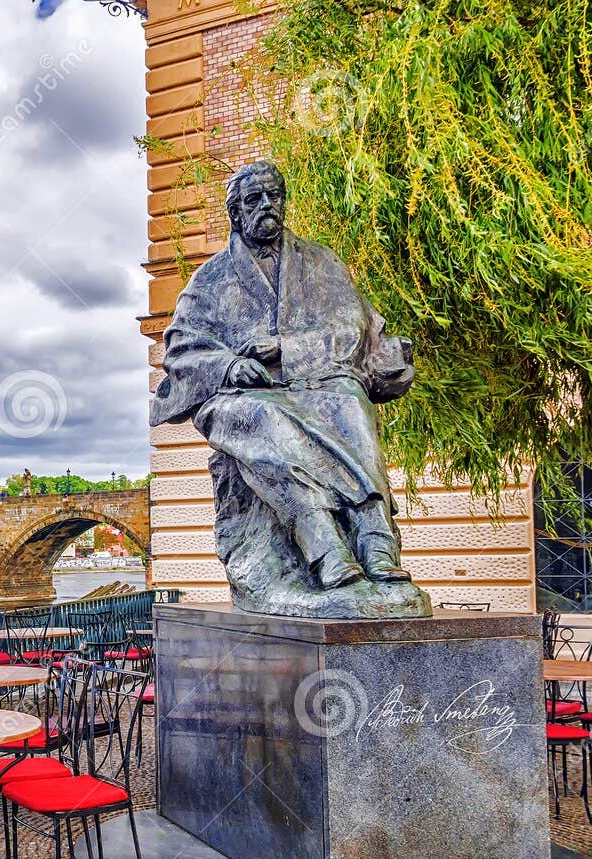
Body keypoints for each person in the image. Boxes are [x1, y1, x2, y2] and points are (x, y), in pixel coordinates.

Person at [154, 160, 416, 596]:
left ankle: (375, 539)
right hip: (239, 395)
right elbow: (181, 347)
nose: (266, 206)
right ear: (236, 213)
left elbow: (351, 329)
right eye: (253, 200)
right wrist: (227, 366)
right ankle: (326, 549)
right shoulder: (211, 278)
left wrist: (285, 349)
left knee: (350, 402)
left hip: (317, 381)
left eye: (273, 196)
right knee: (263, 421)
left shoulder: (321, 262)